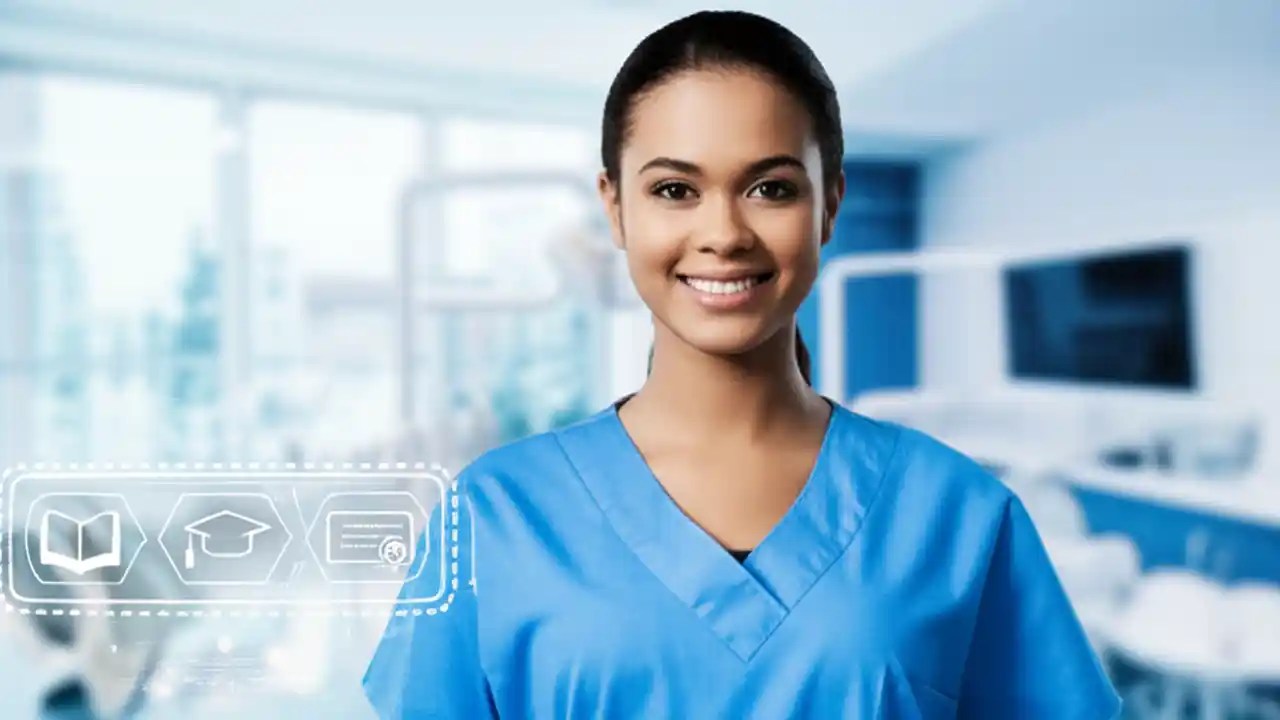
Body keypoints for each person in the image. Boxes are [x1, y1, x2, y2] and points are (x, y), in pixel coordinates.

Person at [363, 10, 1121, 719]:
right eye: (674, 189)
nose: (723, 232)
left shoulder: (957, 515)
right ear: (616, 208)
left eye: (770, 188)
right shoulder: (495, 515)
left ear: (828, 205)